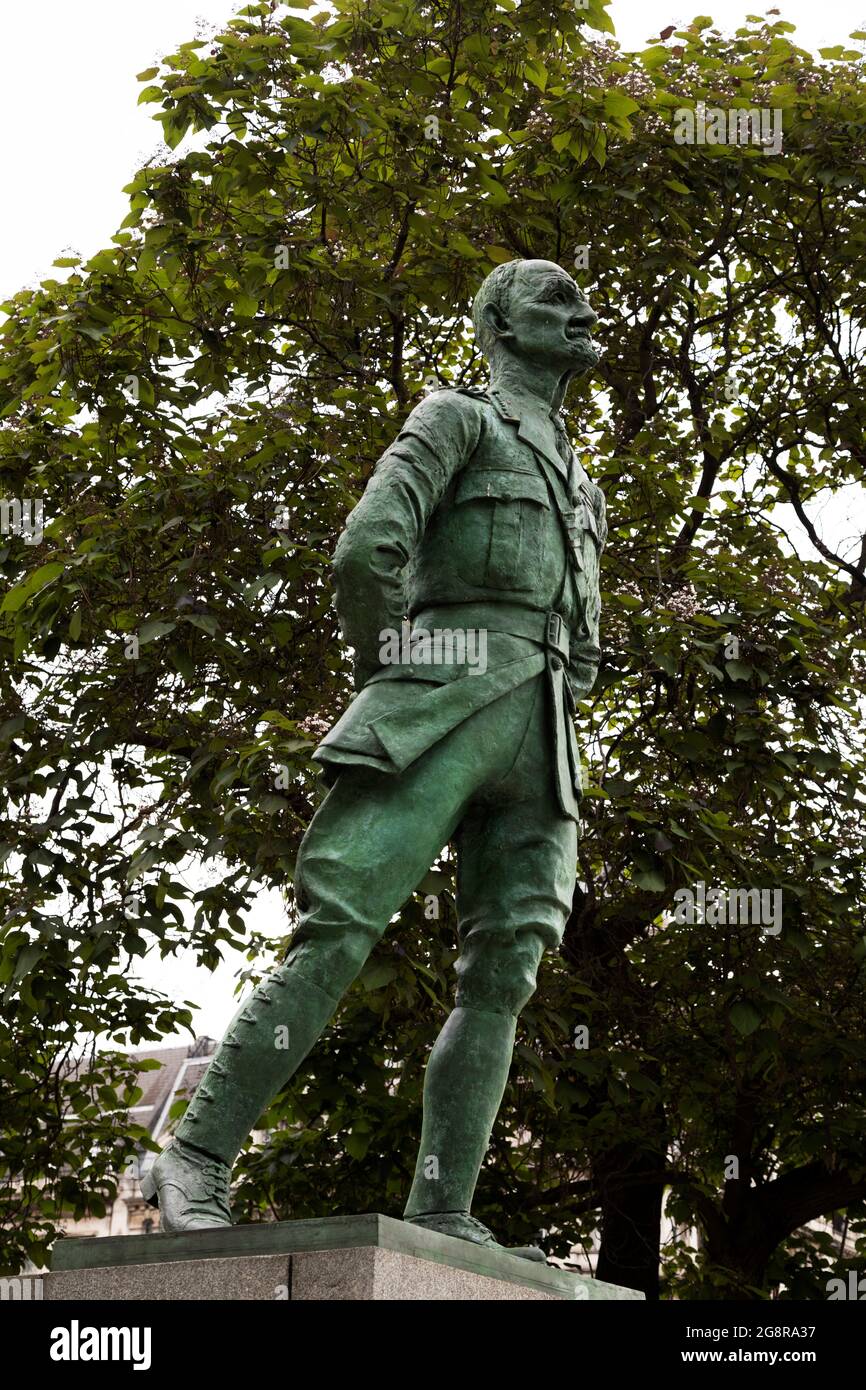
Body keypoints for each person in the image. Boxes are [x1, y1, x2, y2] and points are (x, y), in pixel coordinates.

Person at [142, 258, 606, 1260]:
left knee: (502, 976)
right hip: (440, 703)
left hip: (542, 731)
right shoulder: (457, 418)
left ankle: (443, 1206)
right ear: (495, 321)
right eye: (553, 301)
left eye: (582, 303)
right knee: (339, 928)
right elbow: (367, 549)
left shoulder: (576, 471)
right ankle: (195, 1158)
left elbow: (587, 633)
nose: (580, 315)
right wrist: (394, 676)